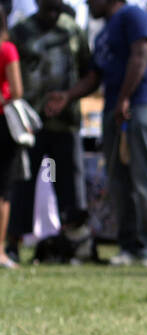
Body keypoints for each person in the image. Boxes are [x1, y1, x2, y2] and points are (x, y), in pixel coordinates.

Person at [45, 0, 147, 268]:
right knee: (119, 182)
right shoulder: (105, 31)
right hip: (116, 109)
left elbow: (140, 54)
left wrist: (125, 98)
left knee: (146, 177)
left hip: (142, 106)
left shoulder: (133, 15)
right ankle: (132, 247)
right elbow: (95, 75)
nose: (86, 3)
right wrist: (68, 96)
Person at [7, 0, 92, 261]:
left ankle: (74, 246)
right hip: (29, 127)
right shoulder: (21, 30)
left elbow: (89, 71)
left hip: (65, 125)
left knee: (70, 187)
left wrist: (68, 96)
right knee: (22, 185)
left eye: (58, 6)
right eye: (49, 7)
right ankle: (12, 243)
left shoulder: (72, 29)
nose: (54, 12)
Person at [0, 7, 24, 268]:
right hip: (4, 123)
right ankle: (0, 250)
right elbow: (17, 91)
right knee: (3, 190)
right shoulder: (7, 50)